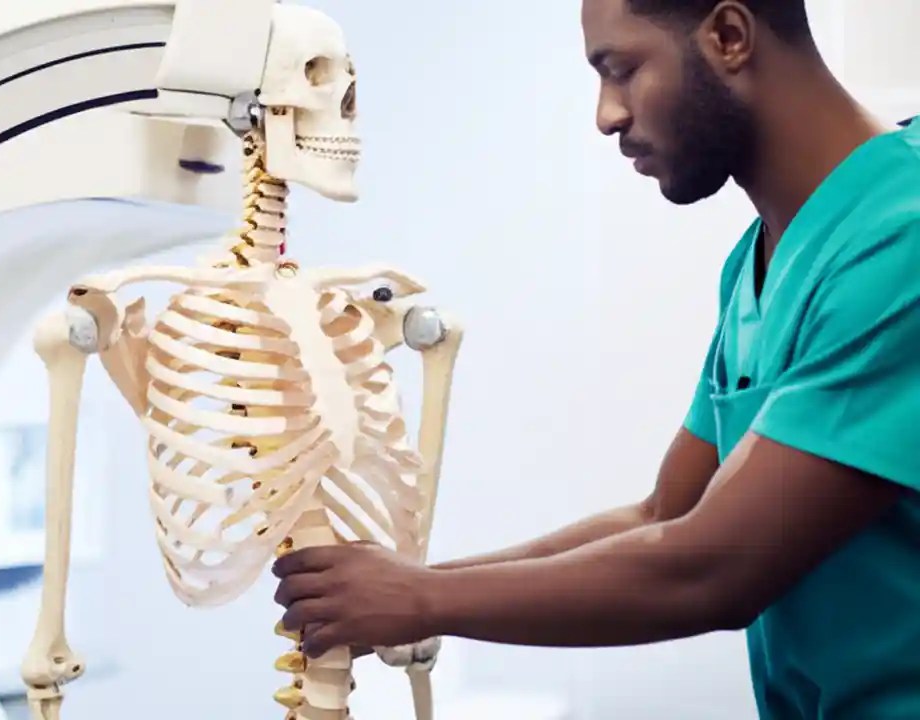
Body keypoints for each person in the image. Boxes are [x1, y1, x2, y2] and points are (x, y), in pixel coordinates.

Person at [271, 0, 920, 717]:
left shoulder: (903, 237)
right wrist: (398, 588)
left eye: (623, 70)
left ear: (730, 36)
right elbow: (665, 512)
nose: (606, 115)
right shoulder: (756, 265)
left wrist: (422, 599)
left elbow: (713, 570)